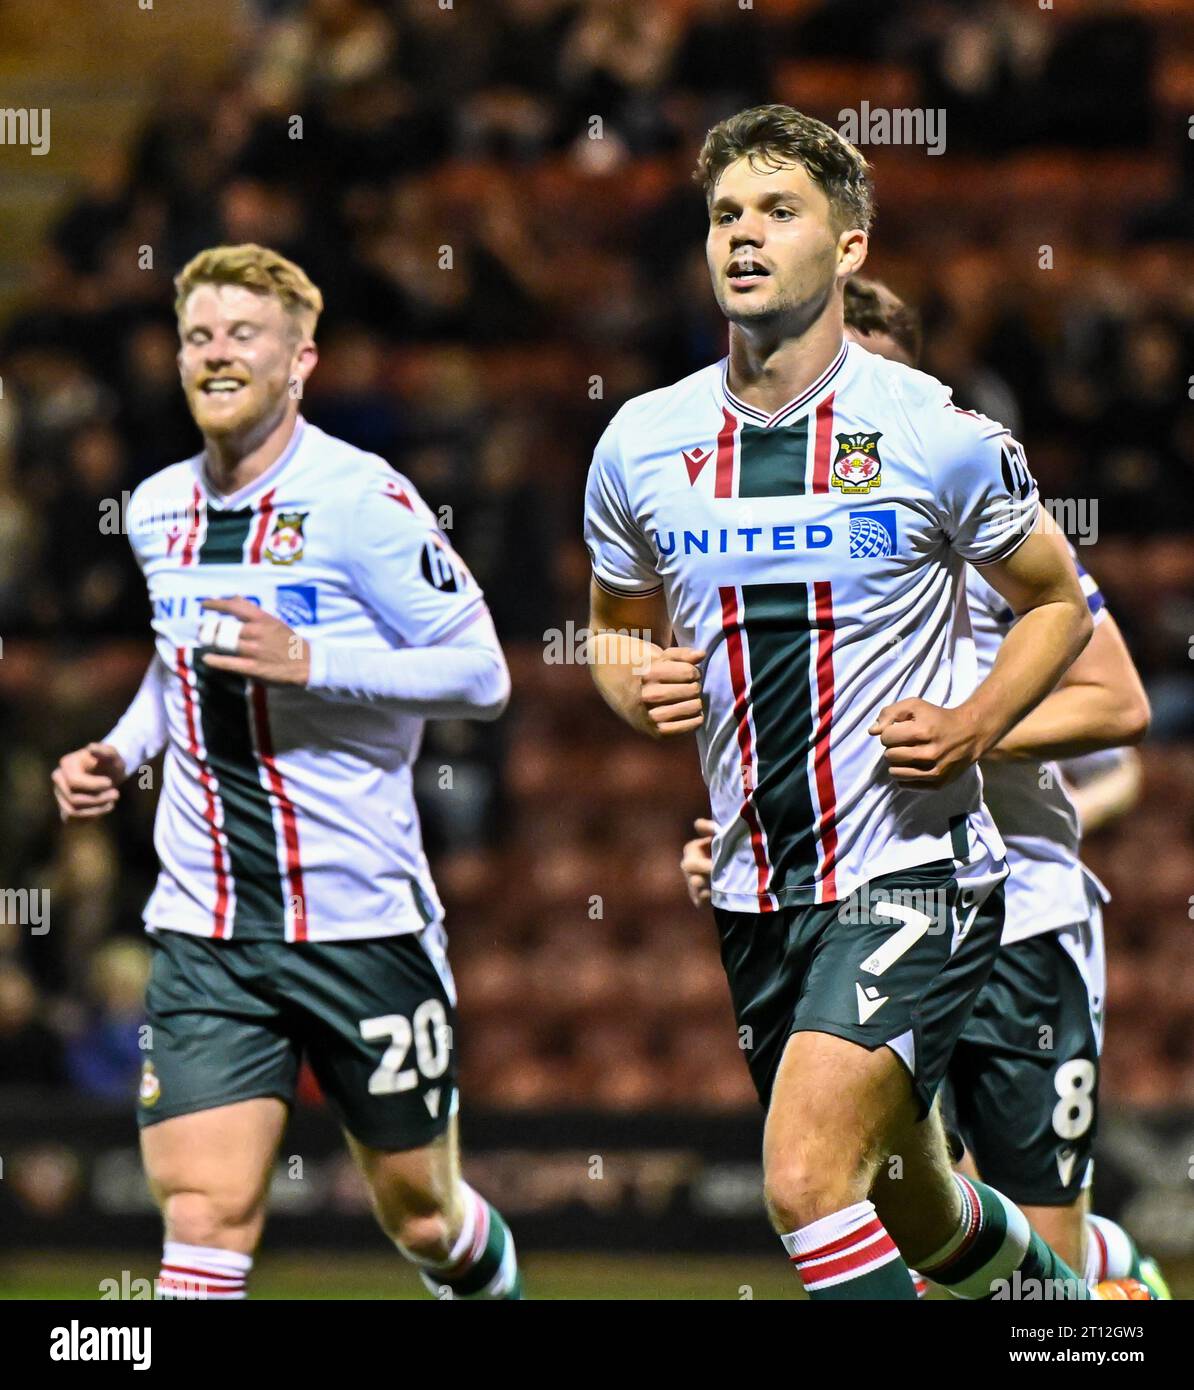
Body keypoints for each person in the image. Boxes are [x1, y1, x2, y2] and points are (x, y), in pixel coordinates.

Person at [584, 104, 1113, 1299]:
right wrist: (634, 685)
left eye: (780, 210)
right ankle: (1072, 1316)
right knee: (910, 1200)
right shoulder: (640, 441)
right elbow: (614, 634)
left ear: (852, 245)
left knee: (806, 1179)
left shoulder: (936, 430)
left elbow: (1056, 605)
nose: (745, 235)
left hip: (918, 871)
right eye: (726, 213)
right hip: (760, 889)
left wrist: (976, 724)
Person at [680, 276, 1168, 1298]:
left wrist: (972, 734)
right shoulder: (801, 548)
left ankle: (1108, 1281)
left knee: (1043, 1268)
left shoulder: (977, 510)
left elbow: (1121, 704)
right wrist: (731, 835)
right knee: (882, 1200)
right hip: (880, 900)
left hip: (1024, 907)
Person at [52, 243, 521, 1301]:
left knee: (423, 1214)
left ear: (301, 360)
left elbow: (483, 674)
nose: (216, 354)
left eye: (243, 336)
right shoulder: (157, 507)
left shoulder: (364, 501)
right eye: (199, 336)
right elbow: (179, 666)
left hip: (360, 921)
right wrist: (122, 751)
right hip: (206, 923)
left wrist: (315, 659)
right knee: (204, 1208)